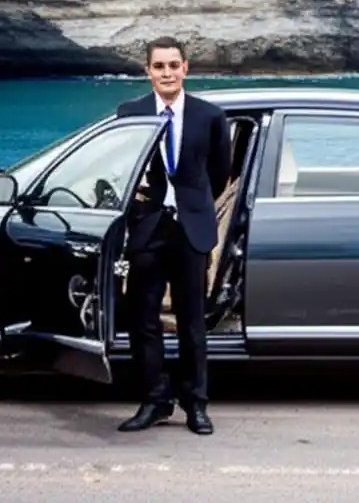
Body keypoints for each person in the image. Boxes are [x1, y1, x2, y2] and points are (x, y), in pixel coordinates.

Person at [115, 36, 231, 435]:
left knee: (192, 322)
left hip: (190, 230)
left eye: (173, 65)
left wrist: (193, 206)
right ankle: (154, 400)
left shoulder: (210, 116)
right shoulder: (129, 113)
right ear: (147, 70)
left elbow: (219, 172)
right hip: (148, 228)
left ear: (186, 68)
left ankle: (196, 404)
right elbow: (121, 169)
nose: (167, 72)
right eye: (159, 66)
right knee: (142, 320)